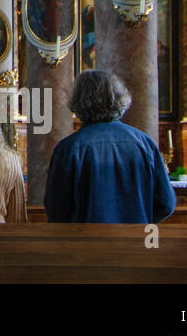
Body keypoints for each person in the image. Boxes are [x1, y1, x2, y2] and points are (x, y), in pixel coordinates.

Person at [44, 69, 176, 224]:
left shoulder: (69, 148)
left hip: (85, 241)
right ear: (119, 99)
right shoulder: (144, 144)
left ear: (78, 101)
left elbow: (56, 210)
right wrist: (139, 218)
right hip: (135, 241)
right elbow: (166, 204)